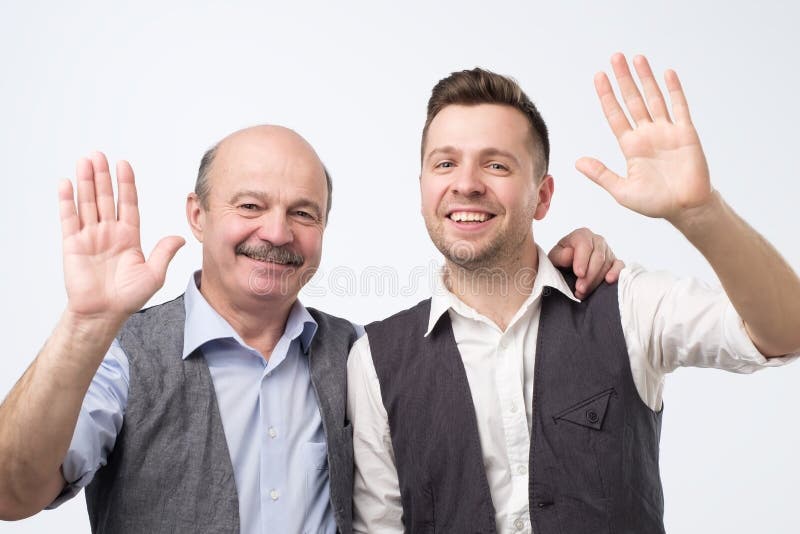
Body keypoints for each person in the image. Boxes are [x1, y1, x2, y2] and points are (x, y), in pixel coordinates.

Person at [0, 125, 619, 533]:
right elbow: (11, 490)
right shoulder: (123, 356)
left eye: (303, 213)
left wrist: (548, 265)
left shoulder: (363, 355)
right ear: (197, 214)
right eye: (249, 205)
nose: (276, 232)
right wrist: (86, 324)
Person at [347, 54, 800, 534]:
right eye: (445, 163)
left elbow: (786, 331)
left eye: (496, 164)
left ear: (542, 197)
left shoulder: (626, 306)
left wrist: (700, 213)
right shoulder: (373, 360)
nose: (466, 184)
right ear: (422, 189)